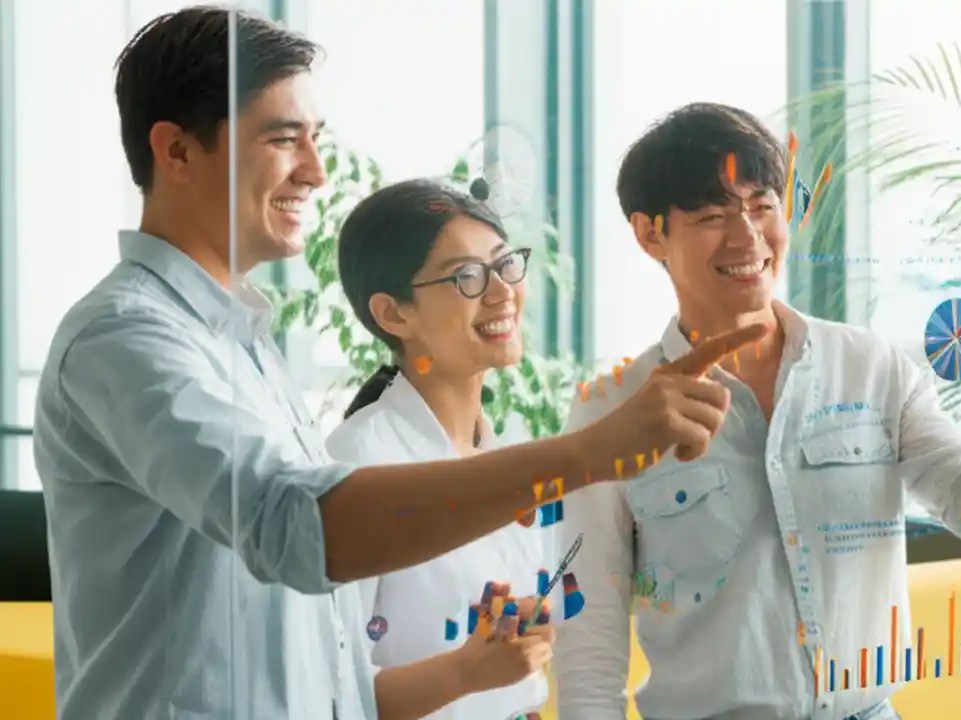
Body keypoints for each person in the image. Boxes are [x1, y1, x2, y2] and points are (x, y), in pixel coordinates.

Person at [31, 9, 762, 719]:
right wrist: (592, 452)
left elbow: (330, 653)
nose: (316, 171)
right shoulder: (126, 339)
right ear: (178, 151)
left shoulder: (241, 344)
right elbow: (299, 527)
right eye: (284, 139)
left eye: (315, 140)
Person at [553, 102, 961, 720]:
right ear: (650, 233)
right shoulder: (610, 411)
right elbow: (589, 634)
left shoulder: (873, 367)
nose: (747, 237)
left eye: (763, 206)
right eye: (711, 215)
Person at [324, 178, 566, 720]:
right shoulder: (357, 465)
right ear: (394, 314)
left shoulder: (505, 451)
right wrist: (465, 673)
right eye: (467, 277)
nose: (503, 291)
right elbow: (329, 692)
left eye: (505, 264)